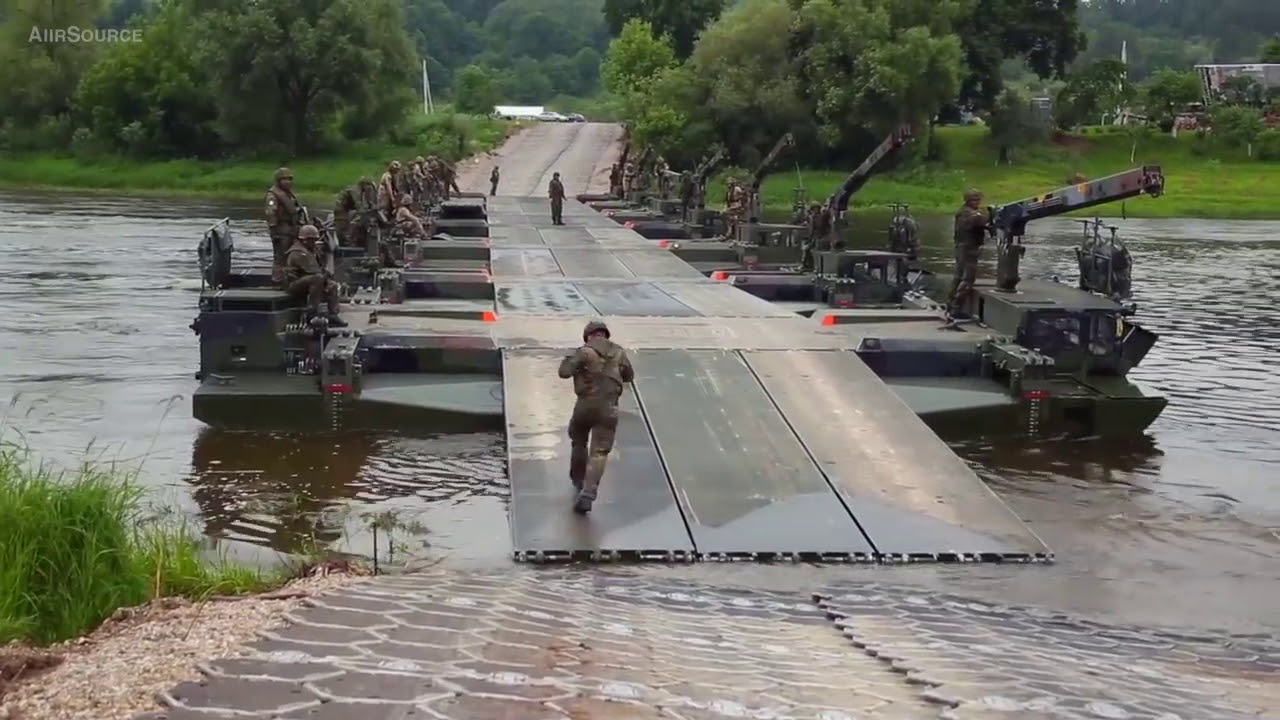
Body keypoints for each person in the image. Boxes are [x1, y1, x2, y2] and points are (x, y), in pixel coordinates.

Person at [558, 320, 634, 514]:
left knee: (578, 440)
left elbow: (564, 373)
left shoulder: (584, 351)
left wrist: (569, 359)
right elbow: (629, 376)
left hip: (585, 406)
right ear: (605, 335)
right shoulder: (619, 352)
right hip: (609, 409)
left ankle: (577, 479)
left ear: (589, 335)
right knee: (599, 452)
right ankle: (589, 493)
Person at [282, 225, 347, 327]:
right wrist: (326, 275)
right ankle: (312, 311)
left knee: (333, 285)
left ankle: (333, 314)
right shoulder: (298, 253)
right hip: (294, 284)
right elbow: (313, 271)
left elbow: (319, 268)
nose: (314, 242)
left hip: (307, 281)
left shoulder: (311, 251)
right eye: (312, 240)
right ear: (304, 240)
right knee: (318, 278)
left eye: (315, 240)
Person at [947, 188, 989, 318]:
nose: (977, 202)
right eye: (974, 200)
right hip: (968, 249)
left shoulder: (965, 212)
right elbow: (981, 221)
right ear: (968, 200)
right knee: (967, 279)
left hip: (964, 248)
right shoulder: (969, 214)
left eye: (978, 199)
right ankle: (956, 307)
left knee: (958, 276)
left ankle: (951, 305)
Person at [265, 167, 301, 283]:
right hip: (280, 229)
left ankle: (286, 278)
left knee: (289, 255)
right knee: (280, 256)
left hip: (290, 228)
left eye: (289, 179)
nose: (287, 182)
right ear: (278, 181)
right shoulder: (273, 195)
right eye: (284, 179)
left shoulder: (288, 194)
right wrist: (273, 229)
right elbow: (271, 212)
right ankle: (277, 279)